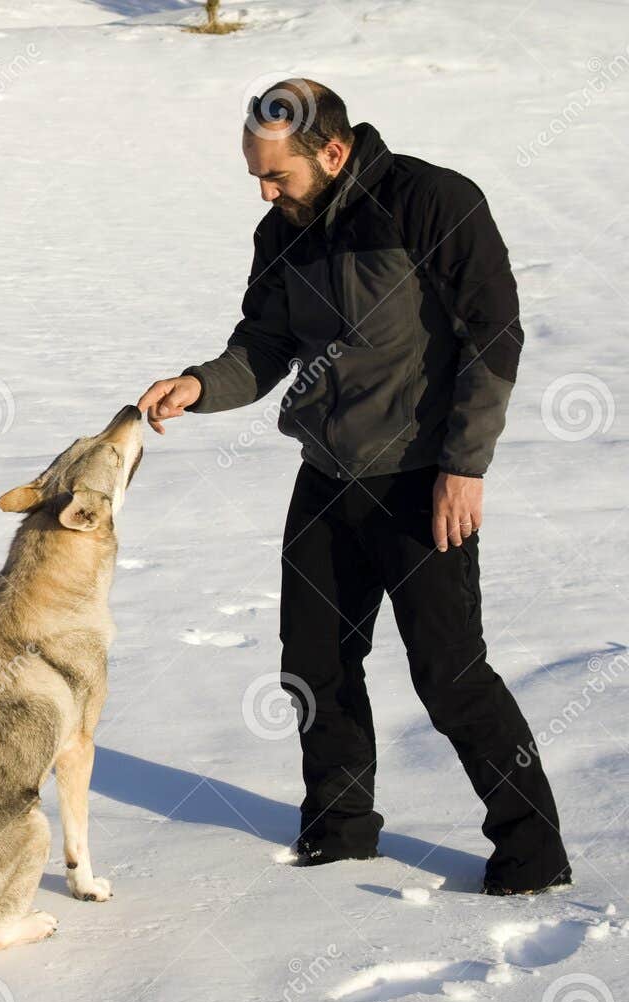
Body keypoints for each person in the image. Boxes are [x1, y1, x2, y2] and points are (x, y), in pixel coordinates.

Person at [138, 79, 570, 895]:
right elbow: (264, 345)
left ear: (331, 152)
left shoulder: (432, 201)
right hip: (326, 478)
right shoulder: (284, 233)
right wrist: (201, 384)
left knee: (449, 672)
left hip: (421, 480)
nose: (267, 195)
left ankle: (534, 850)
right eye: (257, 179)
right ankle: (338, 834)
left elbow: (495, 337)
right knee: (313, 666)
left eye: (279, 177)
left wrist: (464, 467)